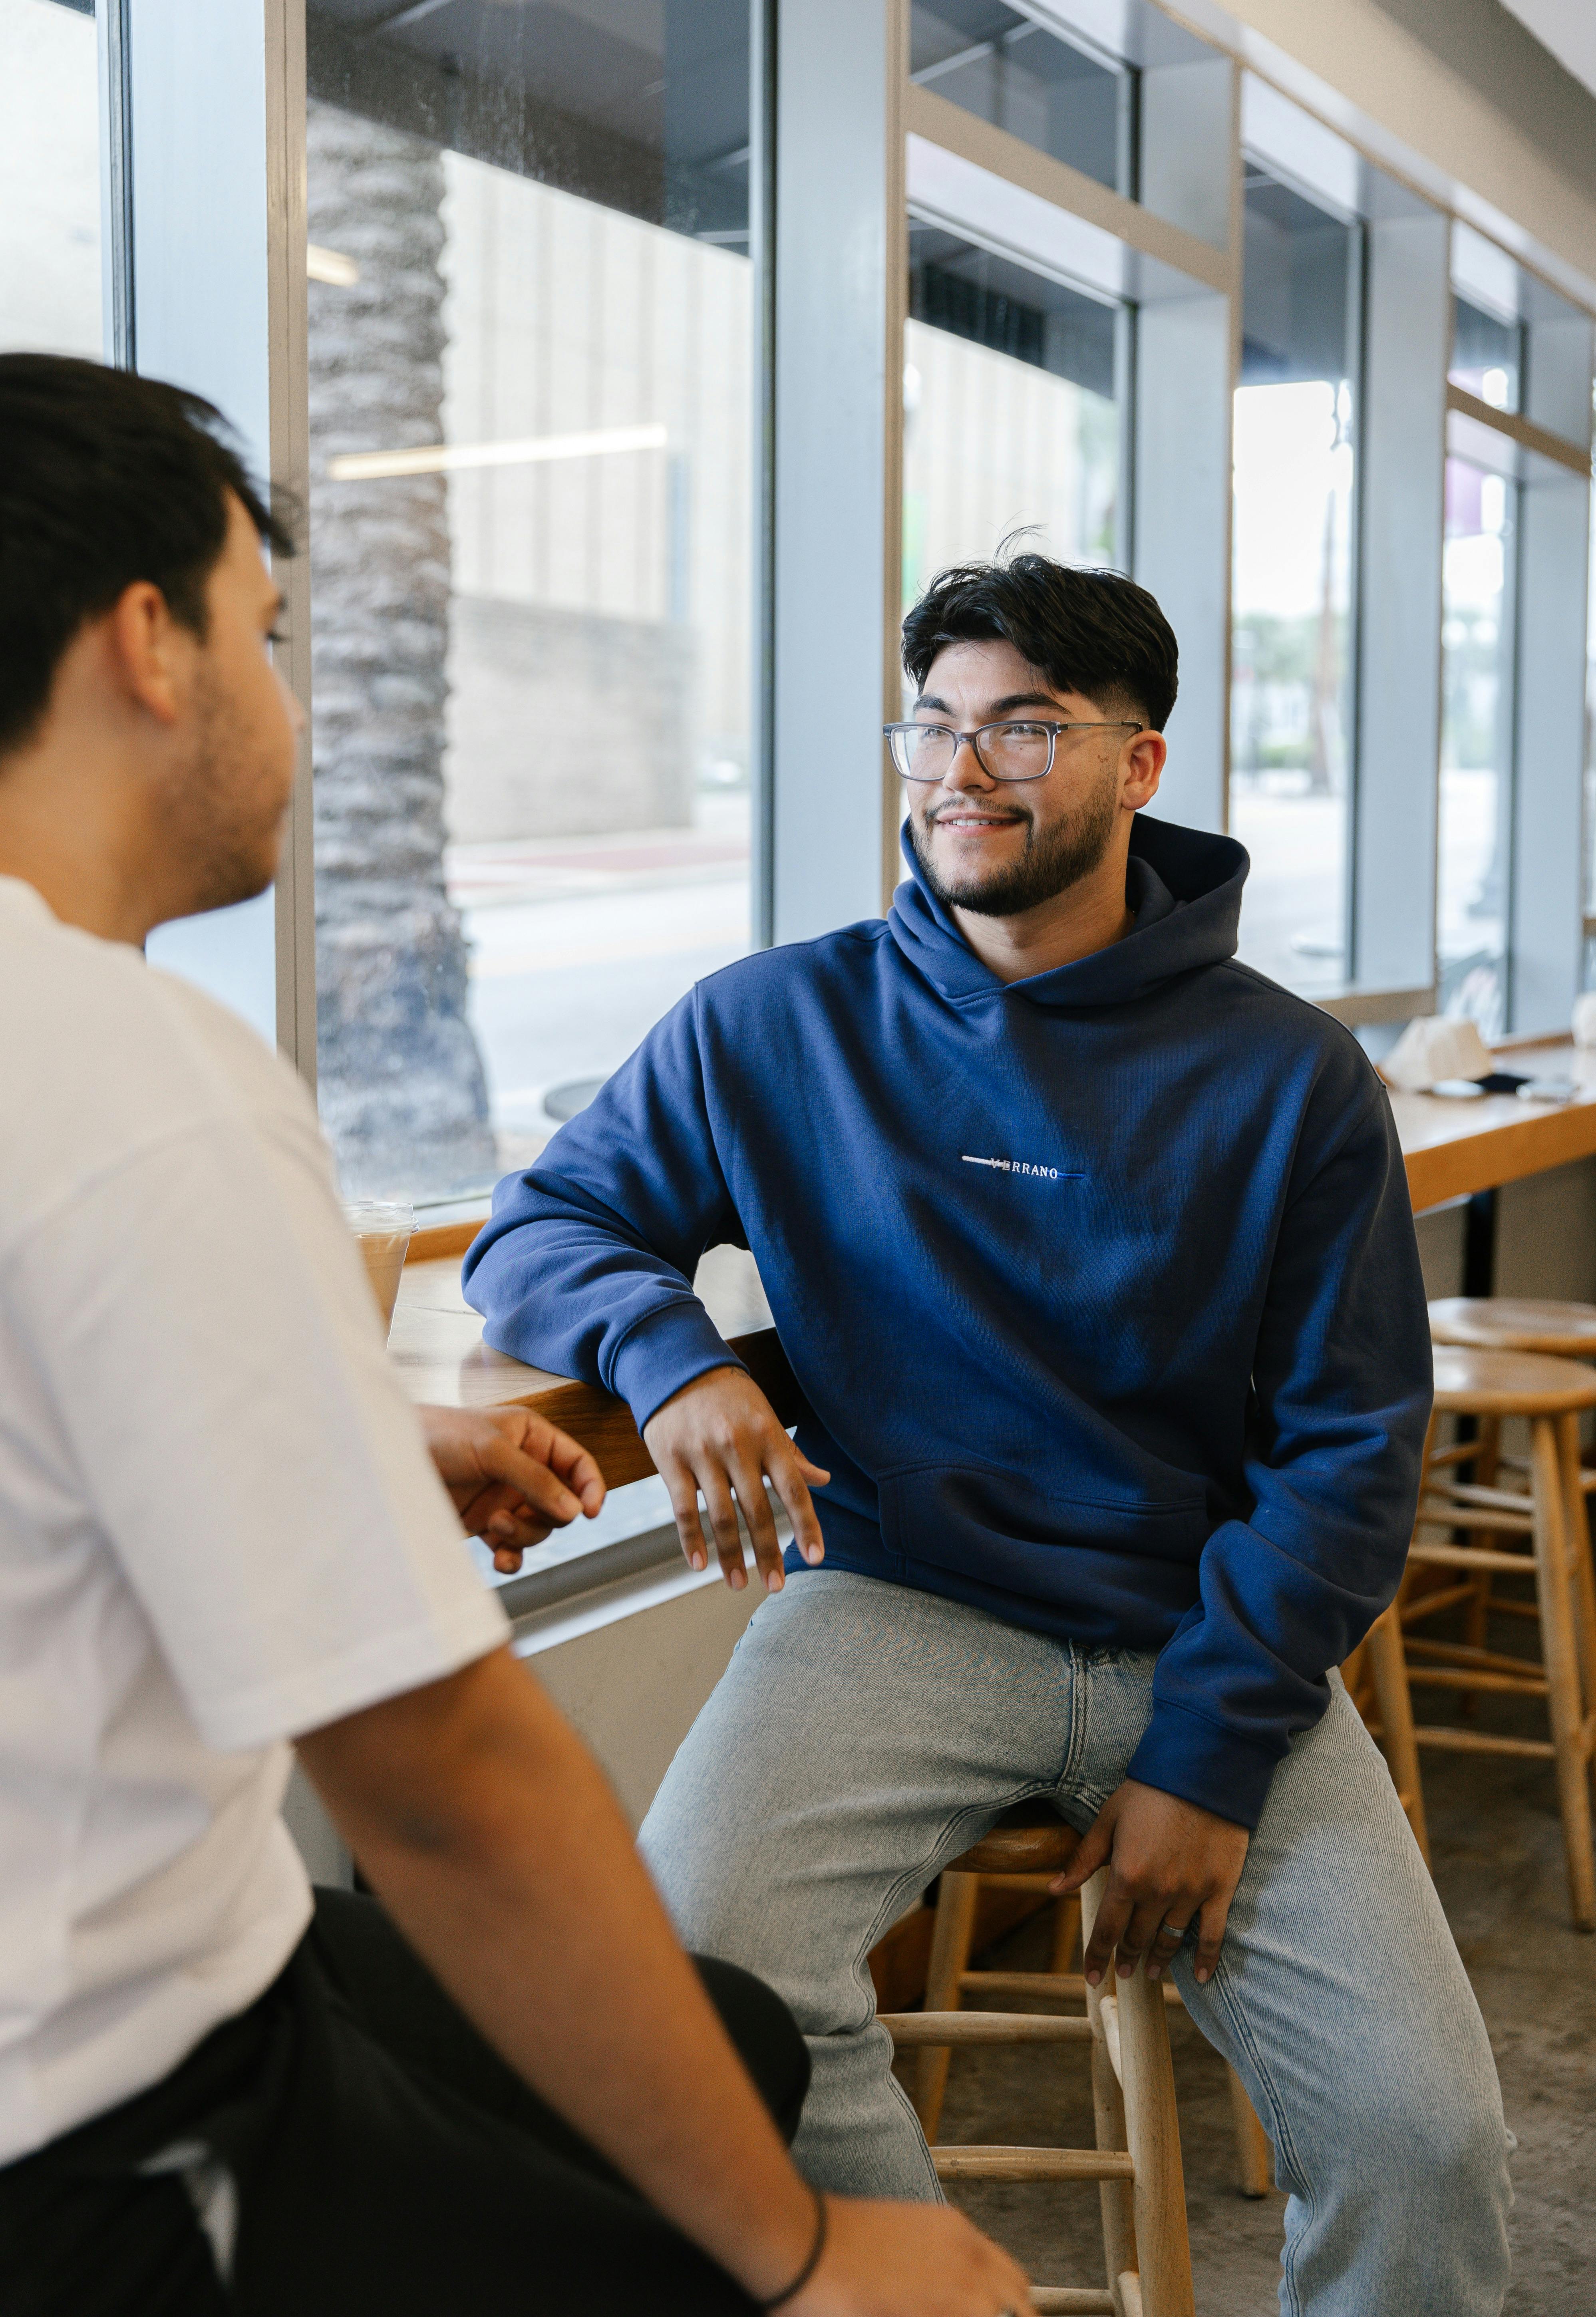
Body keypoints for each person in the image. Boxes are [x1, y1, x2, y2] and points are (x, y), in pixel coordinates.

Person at [0, 354, 1032, 2317]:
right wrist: (803, 2249)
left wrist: (353, 1444)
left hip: (183, 1956)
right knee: (717, 2232)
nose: (290, 707)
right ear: (150, 643)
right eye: (269, 634)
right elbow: (443, 1768)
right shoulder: (137, 1081)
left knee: (720, 2032)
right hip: (98, 2108)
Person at [466, 552, 1516, 2315]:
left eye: (1025, 725)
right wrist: (674, 1360)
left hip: (1211, 1626)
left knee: (1432, 2139)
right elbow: (538, 1228)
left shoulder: (1292, 1078)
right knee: (691, 1979)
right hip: (904, 1603)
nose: (961, 769)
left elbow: (1348, 1450)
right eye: (935, 724)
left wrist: (1208, 1753)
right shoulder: (779, 1022)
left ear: (1140, 764)